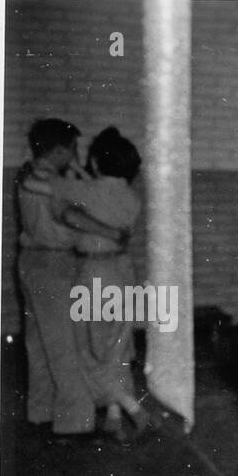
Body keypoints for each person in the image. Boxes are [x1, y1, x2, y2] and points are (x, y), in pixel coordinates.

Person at [15, 118, 117, 440]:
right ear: (60, 149)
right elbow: (75, 210)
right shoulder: (47, 181)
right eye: (72, 149)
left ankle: (41, 412)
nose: (75, 155)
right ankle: (75, 423)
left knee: (40, 344)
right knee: (65, 345)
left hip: (33, 262)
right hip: (53, 265)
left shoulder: (31, 173)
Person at [66, 126, 158, 441]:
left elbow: (69, 211)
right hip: (123, 270)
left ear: (95, 161)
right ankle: (115, 416)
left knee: (89, 348)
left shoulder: (87, 192)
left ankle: (131, 407)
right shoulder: (130, 196)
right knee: (118, 346)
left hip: (93, 273)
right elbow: (94, 187)